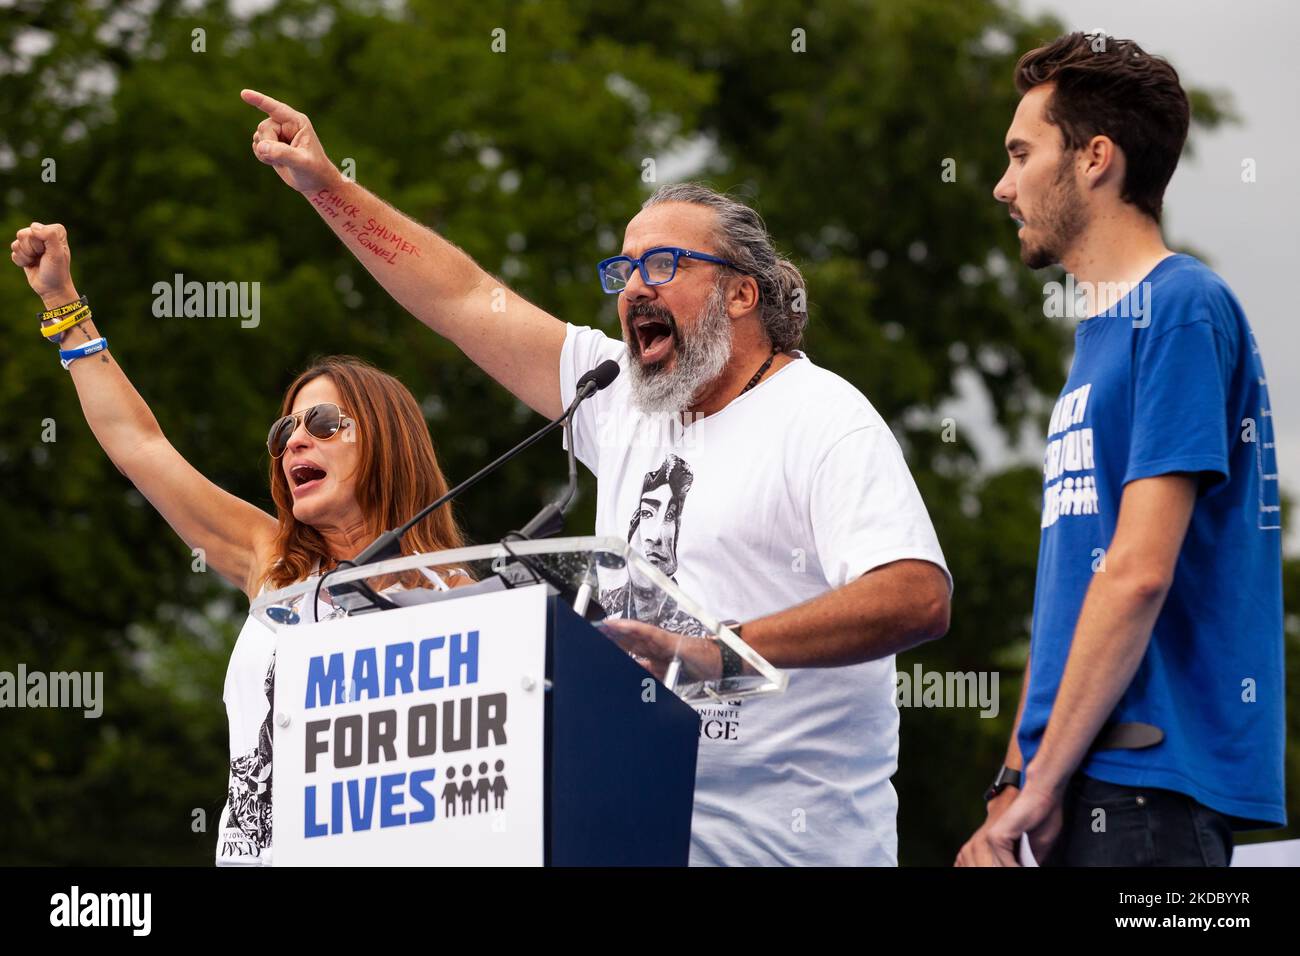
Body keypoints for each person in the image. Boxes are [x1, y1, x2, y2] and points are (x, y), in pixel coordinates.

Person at [241, 89, 953, 865]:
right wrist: (328, 189)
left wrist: (719, 649)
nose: (634, 288)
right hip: (629, 834)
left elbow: (916, 594)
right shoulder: (617, 398)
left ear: (742, 293)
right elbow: (457, 295)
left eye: (663, 264)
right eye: (624, 269)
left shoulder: (820, 416)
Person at [8, 222, 469, 865]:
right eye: (285, 432)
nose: (294, 443)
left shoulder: (465, 596)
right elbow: (142, 447)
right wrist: (63, 307)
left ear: (388, 442)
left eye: (325, 424)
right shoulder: (273, 560)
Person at [957, 32, 1285, 867]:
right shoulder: (1099, 340)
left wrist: (1038, 787)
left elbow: (1138, 572)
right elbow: (1077, 586)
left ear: (1095, 158)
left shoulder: (1181, 307)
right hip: (1081, 790)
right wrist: (1016, 778)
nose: (1002, 185)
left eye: (1021, 153)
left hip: (1145, 796)